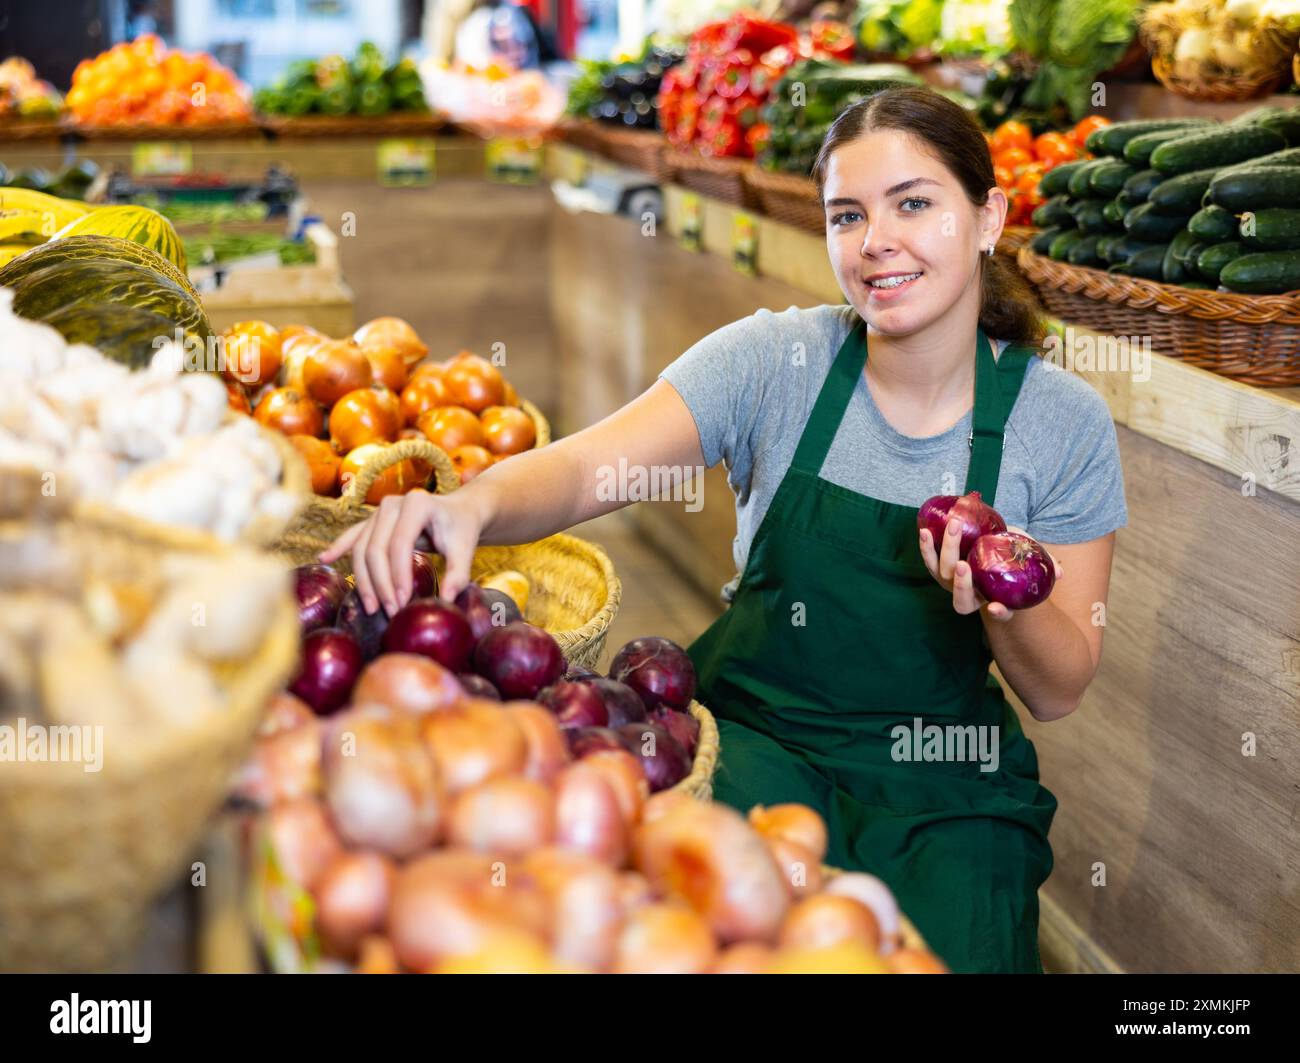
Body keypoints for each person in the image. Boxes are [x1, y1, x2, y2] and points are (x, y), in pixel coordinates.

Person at [322, 87, 1126, 973]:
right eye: (846, 215)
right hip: (755, 741)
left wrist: (1001, 606)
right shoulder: (778, 361)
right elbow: (596, 466)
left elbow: (1058, 689)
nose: (876, 242)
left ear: (988, 217)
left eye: (914, 203)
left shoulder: (1061, 422)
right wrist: (472, 502)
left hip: (945, 782)